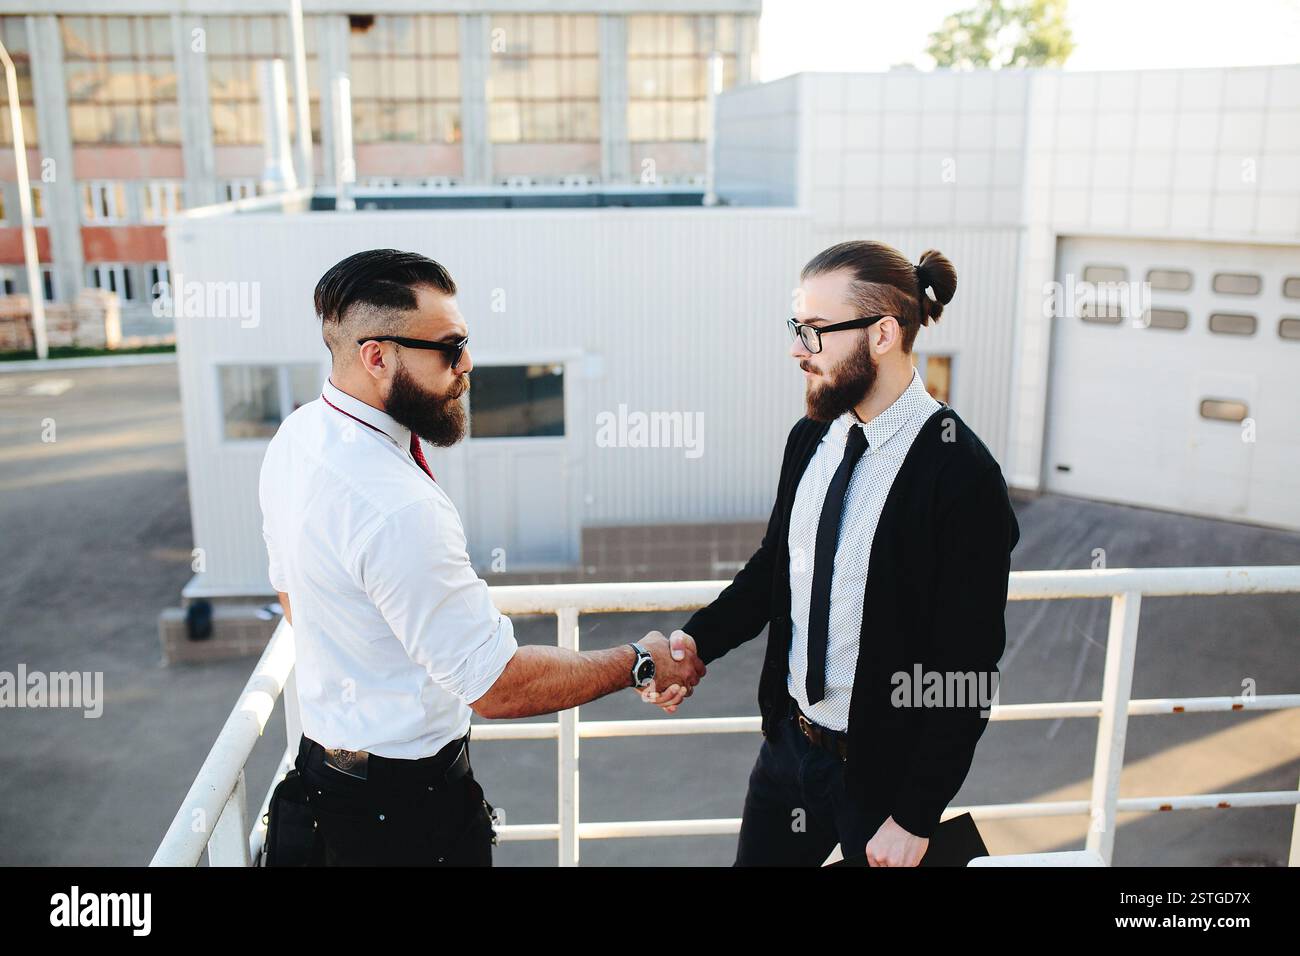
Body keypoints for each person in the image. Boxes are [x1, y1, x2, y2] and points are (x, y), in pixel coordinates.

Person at [259, 249, 705, 866]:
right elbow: (495, 687)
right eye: (449, 347)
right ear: (376, 355)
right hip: (403, 821)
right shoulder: (396, 506)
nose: (467, 365)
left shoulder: (298, 438)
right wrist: (639, 662)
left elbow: (292, 600)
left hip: (321, 791)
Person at [644, 240, 1019, 867]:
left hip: (883, 782)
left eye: (815, 331)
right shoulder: (812, 437)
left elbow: (969, 666)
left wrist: (916, 815)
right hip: (790, 750)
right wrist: (694, 644)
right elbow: (776, 569)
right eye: (798, 328)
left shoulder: (961, 474)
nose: (798, 349)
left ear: (882, 334)